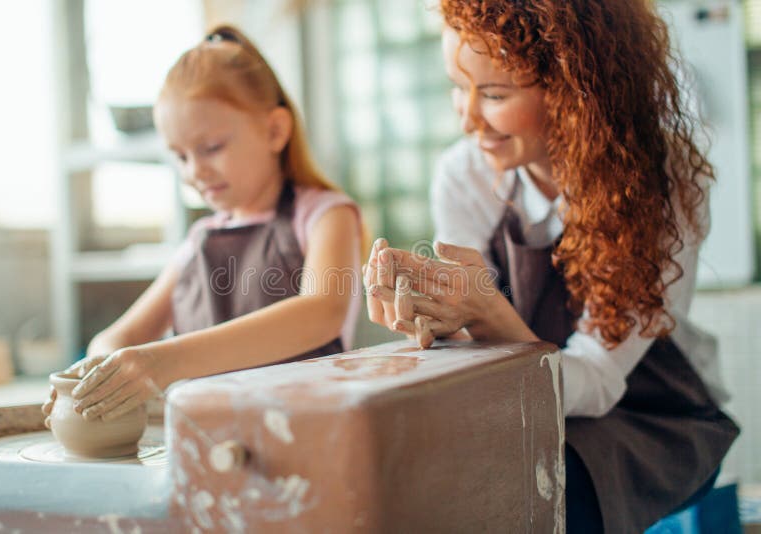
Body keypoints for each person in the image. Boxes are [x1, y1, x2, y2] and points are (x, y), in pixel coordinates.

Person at [363, 1, 739, 532]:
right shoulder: (464, 175)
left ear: (575, 90)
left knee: (548, 493)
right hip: (528, 399)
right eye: (457, 85)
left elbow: (599, 379)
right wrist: (433, 322)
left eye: (494, 94)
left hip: (653, 416)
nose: (468, 118)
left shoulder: (664, 181)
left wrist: (488, 312)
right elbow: (477, 358)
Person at [42, 25, 363, 426]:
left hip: (309, 437)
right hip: (208, 441)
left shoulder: (325, 215)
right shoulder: (198, 240)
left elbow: (321, 312)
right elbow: (119, 336)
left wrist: (163, 361)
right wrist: (95, 370)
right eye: (180, 156)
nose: (195, 171)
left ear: (275, 131)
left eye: (211, 148)